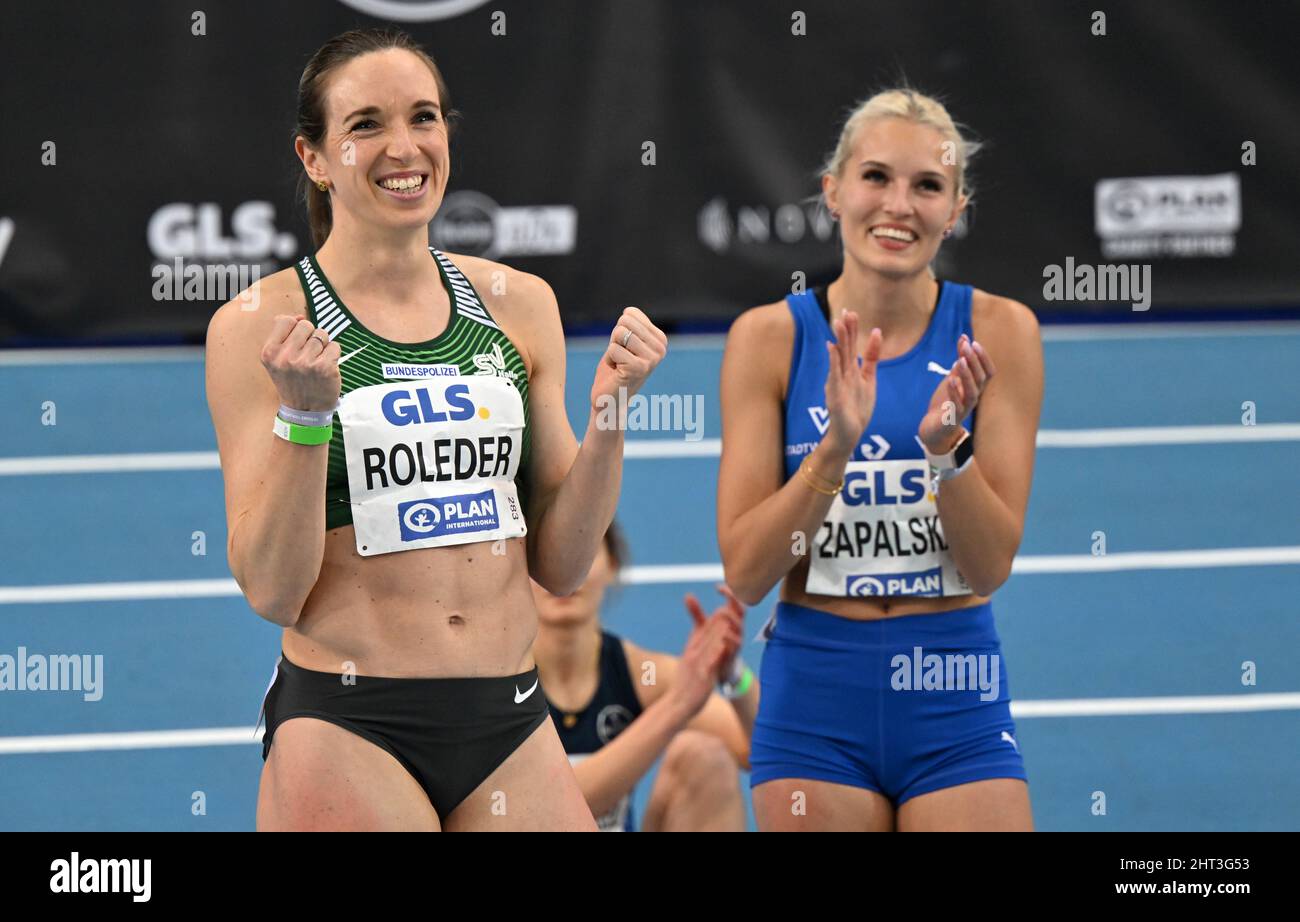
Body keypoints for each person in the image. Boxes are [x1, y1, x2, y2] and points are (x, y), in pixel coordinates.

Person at [204, 28, 666, 831]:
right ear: (314, 158)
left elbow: (562, 564)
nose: (404, 147)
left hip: (511, 719)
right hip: (350, 722)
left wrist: (612, 413)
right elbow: (273, 590)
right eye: (366, 125)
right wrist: (307, 418)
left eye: (423, 117)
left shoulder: (518, 306)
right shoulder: (260, 326)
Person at [717, 89, 1044, 831]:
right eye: (875, 178)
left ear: (956, 208)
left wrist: (944, 455)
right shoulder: (768, 341)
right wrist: (833, 449)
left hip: (954, 689)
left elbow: (990, 566)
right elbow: (747, 572)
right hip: (815, 700)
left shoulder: (1002, 333)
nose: (899, 205)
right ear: (832, 192)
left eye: (928, 186)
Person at [531, 521, 756, 831]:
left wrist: (734, 676)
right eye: (547, 559)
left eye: (581, 554)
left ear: (612, 566)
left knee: (706, 759)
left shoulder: (642, 674)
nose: (565, 574)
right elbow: (543, 812)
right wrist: (676, 707)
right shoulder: (496, 685)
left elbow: (756, 751)